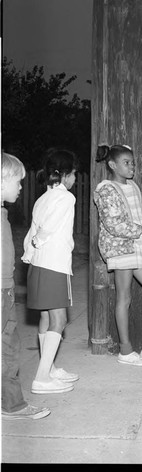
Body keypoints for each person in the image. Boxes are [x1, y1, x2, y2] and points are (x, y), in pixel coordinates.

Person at [22, 148, 80, 395]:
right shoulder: (66, 198)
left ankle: (50, 368)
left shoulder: (42, 198)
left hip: (38, 265)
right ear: (65, 174)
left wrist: (31, 249)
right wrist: (37, 243)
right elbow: (46, 230)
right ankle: (42, 378)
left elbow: (32, 232)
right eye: (74, 173)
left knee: (46, 318)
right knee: (60, 320)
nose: (75, 178)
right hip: (55, 265)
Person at [94, 144, 142, 367]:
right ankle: (126, 350)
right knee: (124, 297)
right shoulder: (105, 188)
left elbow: (137, 216)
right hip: (120, 248)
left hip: (138, 247)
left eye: (133, 163)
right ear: (112, 165)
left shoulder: (134, 186)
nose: (132, 167)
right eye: (126, 163)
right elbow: (114, 225)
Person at [1, 152, 51, 419]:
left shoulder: (3, 214)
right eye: (17, 181)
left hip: (6, 290)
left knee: (9, 348)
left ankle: (11, 404)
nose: (21, 187)